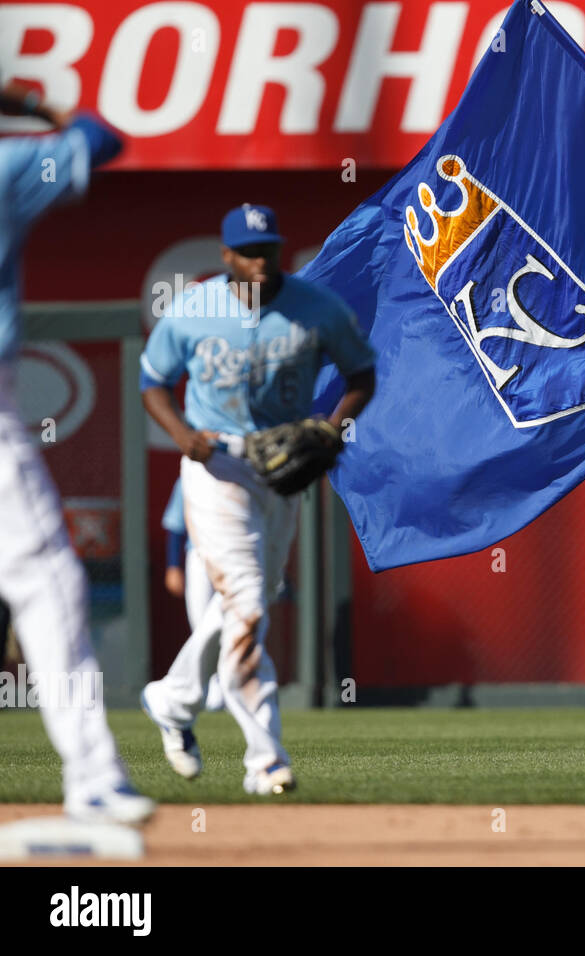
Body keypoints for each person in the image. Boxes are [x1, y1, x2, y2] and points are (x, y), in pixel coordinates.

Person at [139, 204, 376, 794]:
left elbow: (361, 374)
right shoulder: (193, 310)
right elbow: (152, 383)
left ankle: (171, 699)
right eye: (248, 252)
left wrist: (331, 427)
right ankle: (265, 760)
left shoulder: (314, 307)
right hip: (216, 466)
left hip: (282, 467)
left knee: (248, 604)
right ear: (226, 257)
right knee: (246, 605)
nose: (260, 262)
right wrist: (181, 436)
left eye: (267, 250)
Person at [0, 80, 154, 824]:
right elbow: (101, 137)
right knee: (45, 578)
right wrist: (26, 105)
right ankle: (92, 777)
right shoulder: (8, 172)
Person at [161, 475, 222, 711]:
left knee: (233, 622)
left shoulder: (239, 467)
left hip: (235, 553)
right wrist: (173, 565)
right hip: (199, 555)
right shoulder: (190, 474)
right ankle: (204, 685)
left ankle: (223, 685)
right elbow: (176, 524)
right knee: (202, 624)